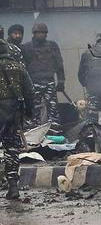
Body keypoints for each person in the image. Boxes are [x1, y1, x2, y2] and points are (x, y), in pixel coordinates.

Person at [0, 39, 34, 199]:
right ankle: (13, 186)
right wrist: (29, 112)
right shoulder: (18, 67)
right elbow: (29, 92)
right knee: (11, 150)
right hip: (12, 115)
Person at [21, 22, 65, 126]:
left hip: (49, 81)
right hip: (33, 83)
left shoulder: (52, 45)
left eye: (43, 32)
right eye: (38, 32)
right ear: (34, 33)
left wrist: (61, 81)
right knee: (33, 111)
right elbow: (23, 67)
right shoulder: (26, 47)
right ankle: (33, 133)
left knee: (53, 111)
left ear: (46, 34)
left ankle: (55, 131)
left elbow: (59, 64)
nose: (41, 34)